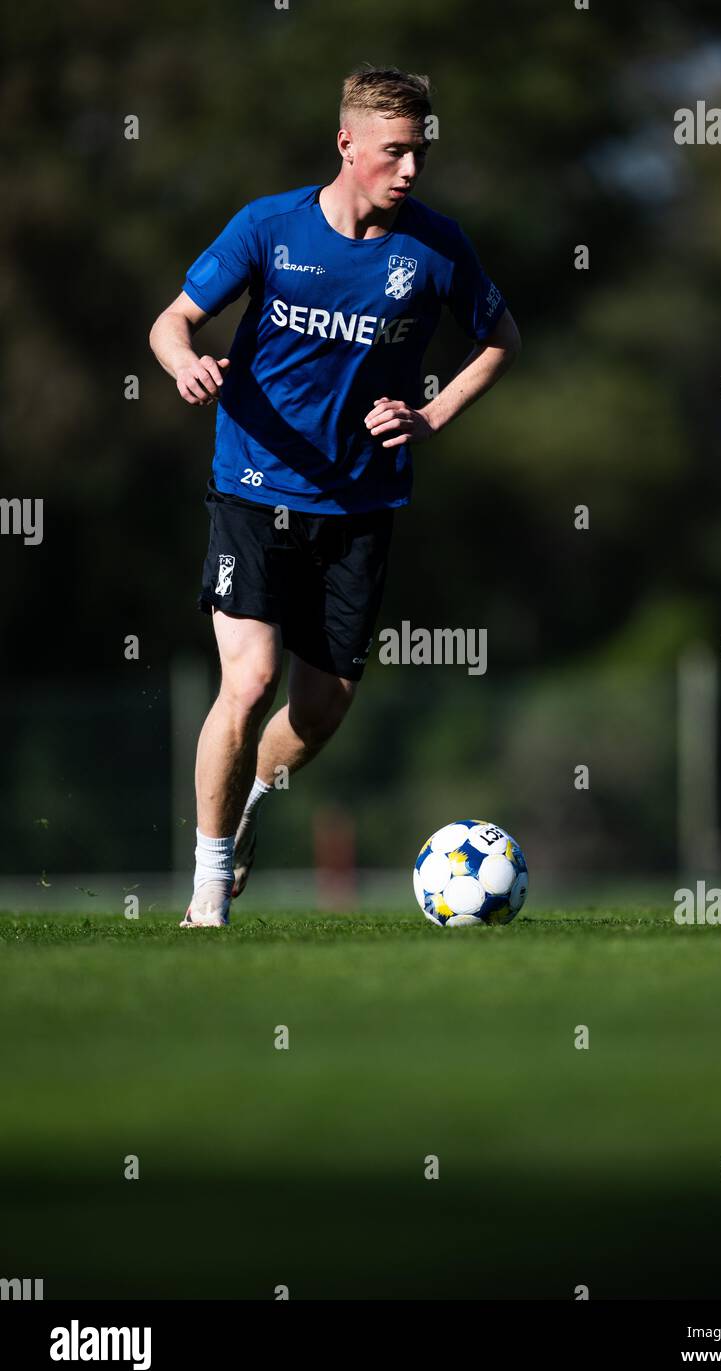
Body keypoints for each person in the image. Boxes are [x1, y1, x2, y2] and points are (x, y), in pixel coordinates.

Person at [148, 64, 521, 927]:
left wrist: (431, 416)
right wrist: (184, 364)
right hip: (252, 487)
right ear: (347, 143)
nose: (411, 170)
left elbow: (501, 336)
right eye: (395, 152)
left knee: (319, 712)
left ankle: (246, 805)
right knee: (249, 680)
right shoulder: (269, 228)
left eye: (421, 153)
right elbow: (171, 321)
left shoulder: (435, 246)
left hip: (359, 507)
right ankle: (207, 892)